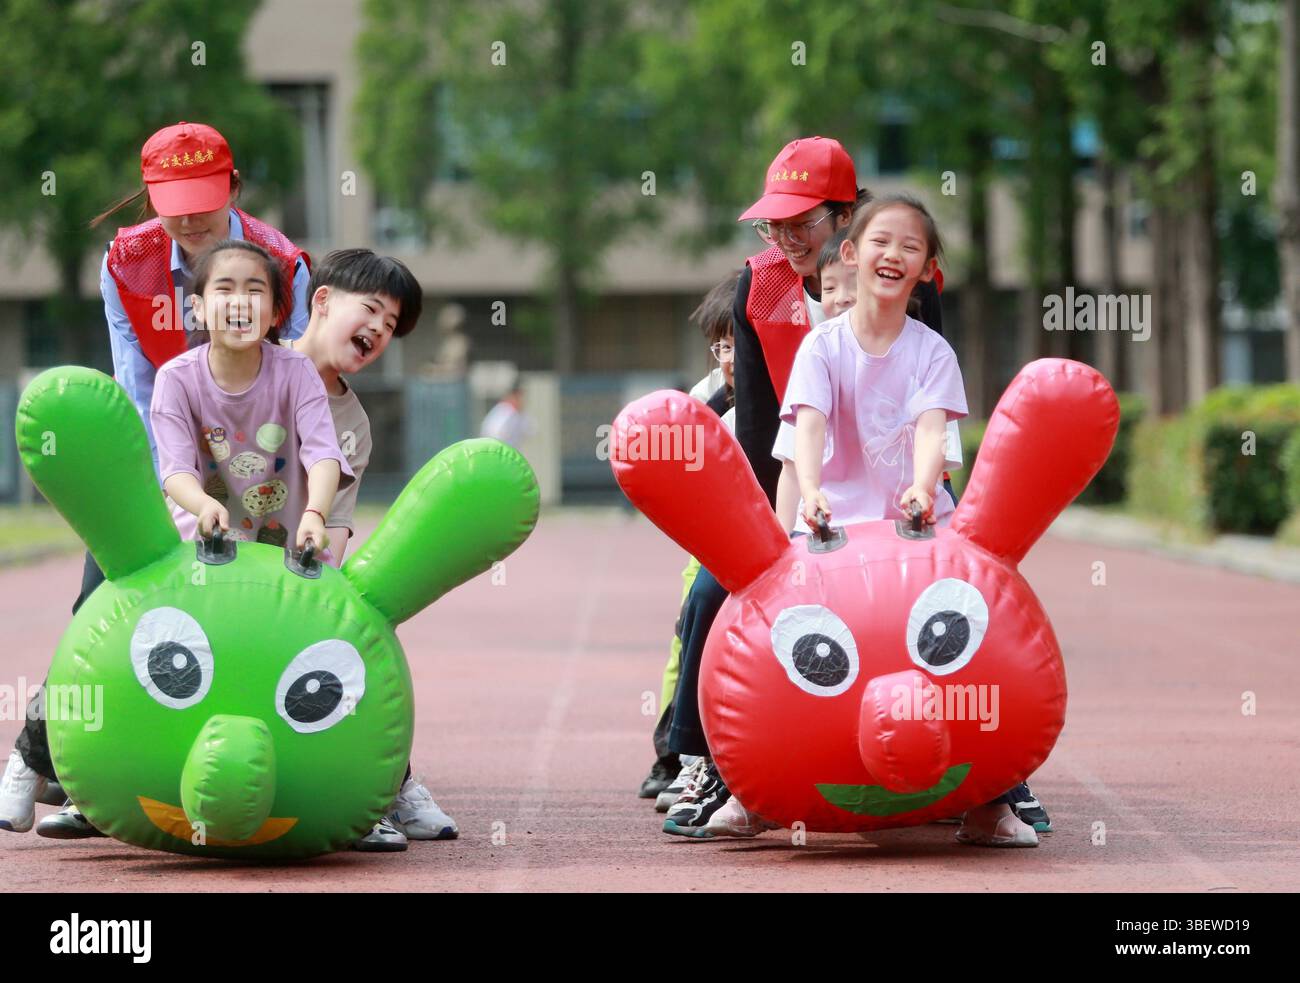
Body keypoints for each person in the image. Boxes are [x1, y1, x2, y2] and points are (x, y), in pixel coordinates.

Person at [1, 121, 312, 838]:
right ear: (148, 196)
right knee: (103, 607)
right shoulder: (126, 258)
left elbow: (295, 383)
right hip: (165, 463)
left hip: (259, 467)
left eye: (205, 198)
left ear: (233, 188)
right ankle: (74, 773)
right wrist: (167, 486)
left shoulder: (281, 261)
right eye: (173, 200)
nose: (191, 218)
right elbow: (134, 383)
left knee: (284, 616)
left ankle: (383, 782)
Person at [288, 248, 459, 851]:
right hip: (211, 566)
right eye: (373, 312)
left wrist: (321, 596)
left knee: (357, 638)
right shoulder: (246, 371)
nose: (380, 332)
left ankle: (380, 788)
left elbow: (335, 526)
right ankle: (62, 775)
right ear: (323, 300)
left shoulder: (352, 424)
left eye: (391, 327)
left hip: (292, 580)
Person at [639, 272, 739, 803]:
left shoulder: (789, 387)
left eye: (735, 344)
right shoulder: (708, 395)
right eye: (718, 345)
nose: (726, 356)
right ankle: (674, 754)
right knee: (691, 630)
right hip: (712, 539)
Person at [480, 380, 532, 448]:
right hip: (500, 453)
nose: (522, 401)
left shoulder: (517, 414)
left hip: (509, 452)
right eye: (519, 397)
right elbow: (494, 434)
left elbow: (531, 430)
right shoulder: (504, 411)